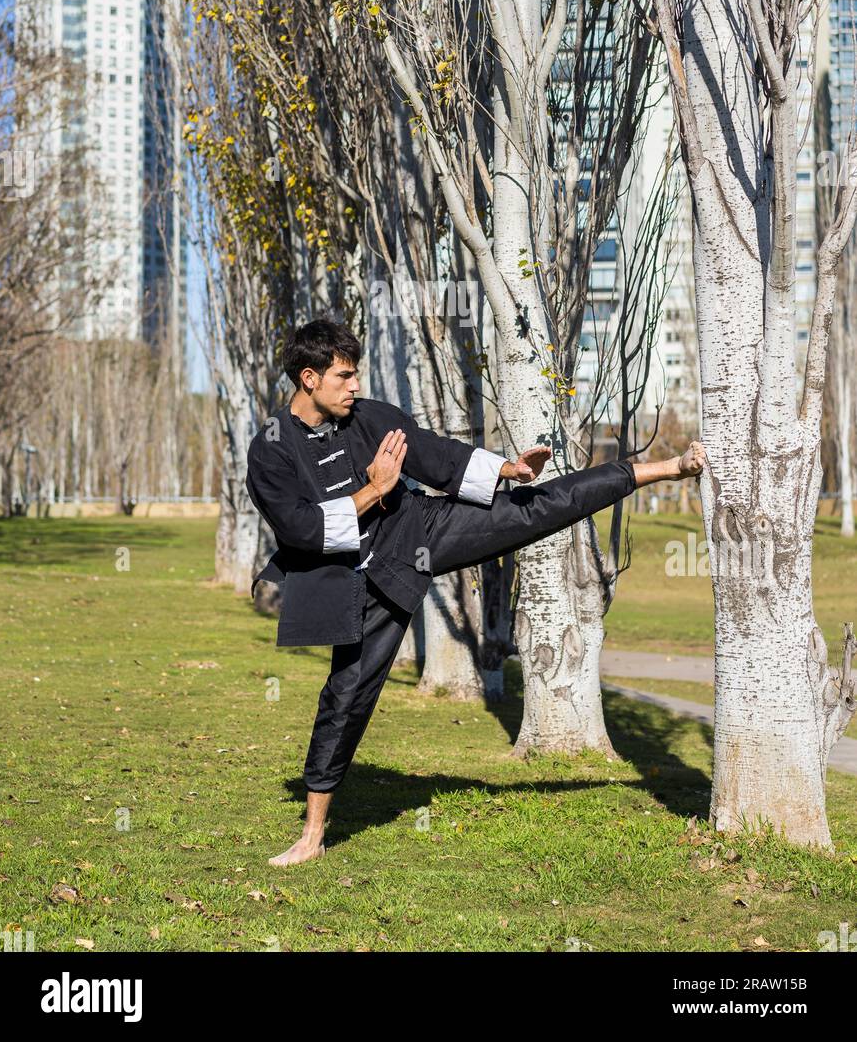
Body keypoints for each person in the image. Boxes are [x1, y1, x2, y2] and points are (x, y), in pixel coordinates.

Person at [246, 319, 706, 866]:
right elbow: (301, 530)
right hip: (358, 583)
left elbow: (437, 456)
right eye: (343, 377)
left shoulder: (370, 418)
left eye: (355, 375)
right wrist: (374, 488)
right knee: (346, 697)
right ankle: (313, 834)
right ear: (308, 378)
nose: (353, 386)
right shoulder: (271, 450)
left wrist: (509, 470)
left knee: (537, 508)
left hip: (414, 532)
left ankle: (665, 468)